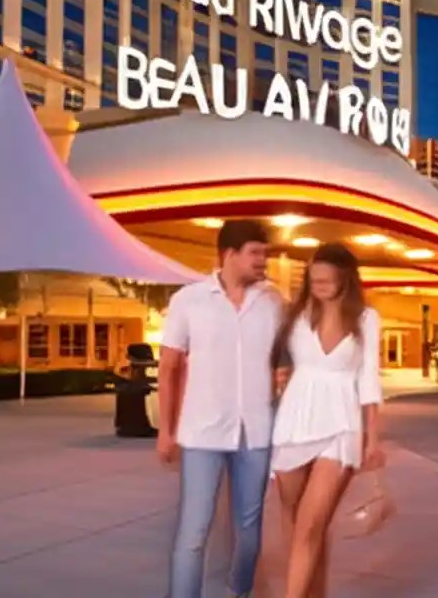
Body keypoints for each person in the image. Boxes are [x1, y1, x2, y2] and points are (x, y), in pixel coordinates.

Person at [156, 219, 283, 598]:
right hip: (202, 433)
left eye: (265, 253)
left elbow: (289, 358)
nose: (263, 261)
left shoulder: (273, 302)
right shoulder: (189, 300)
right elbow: (169, 367)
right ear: (230, 254)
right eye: (255, 253)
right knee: (193, 531)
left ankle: (236, 591)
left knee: (249, 532)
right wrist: (166, 430)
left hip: (257, 432)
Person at [268, 242, 384, 598]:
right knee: (295, 522)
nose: (318, 286)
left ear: (345, 279)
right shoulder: (295, 315)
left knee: (310, 524)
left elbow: (369, 380)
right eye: (314, 280)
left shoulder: (366, 319)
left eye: (326, 281)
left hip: (341, 424)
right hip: (293, 422)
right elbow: (277, 361)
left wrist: (373, 439)